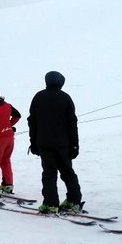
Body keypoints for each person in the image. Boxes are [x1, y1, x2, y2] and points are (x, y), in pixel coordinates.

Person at [27, 71, 83, 214]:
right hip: (63, 144)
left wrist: (33, 142)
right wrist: (75, 145)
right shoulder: (65, 98)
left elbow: (32, 122)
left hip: (44, 143)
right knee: (67, 172)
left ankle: (51, 203)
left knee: (49, 173)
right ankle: (73, 200)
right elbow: (72, 123)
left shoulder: (38, 97)